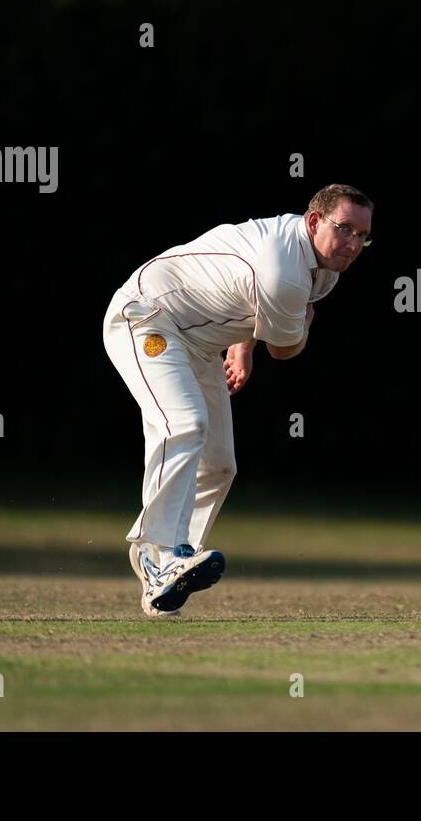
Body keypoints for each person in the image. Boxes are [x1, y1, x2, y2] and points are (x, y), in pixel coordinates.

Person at [102, 184, 374, 616]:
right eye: (345, 230)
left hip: (198, 341)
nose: (353, 244)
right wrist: (303, 324)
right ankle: (158, 555)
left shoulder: (322, 266)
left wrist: (241, 346)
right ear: (314, 221)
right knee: (184, 424)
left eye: (363, 236)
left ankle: (173, 567)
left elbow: (248, 298)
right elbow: (285, 349)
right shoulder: (285, 269)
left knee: (219, 465)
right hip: (147, 318)